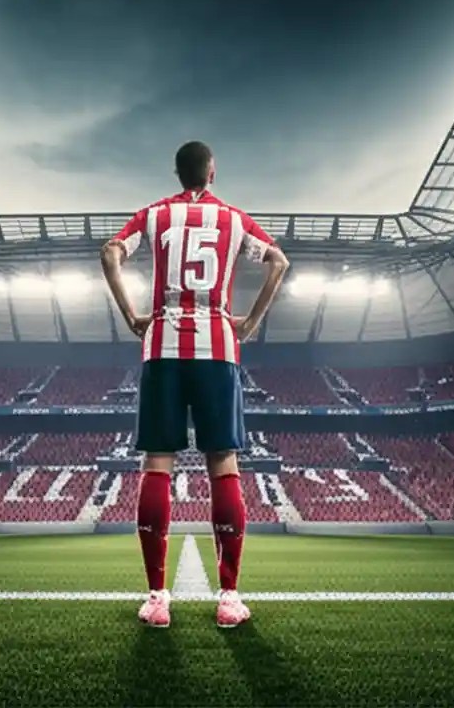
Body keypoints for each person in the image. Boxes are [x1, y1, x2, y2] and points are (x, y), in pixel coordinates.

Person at [100, 140, 289, 628]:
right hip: (217, 346)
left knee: (157, 462)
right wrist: (249, 323)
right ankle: (229, 598)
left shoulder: (153, 215)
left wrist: (131, 316)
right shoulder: (234, 219)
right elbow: (279, 262)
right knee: (222, 462)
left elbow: (110, 253)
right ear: (212, 172)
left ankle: (156, 599)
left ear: (177, 173)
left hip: (162, 343)